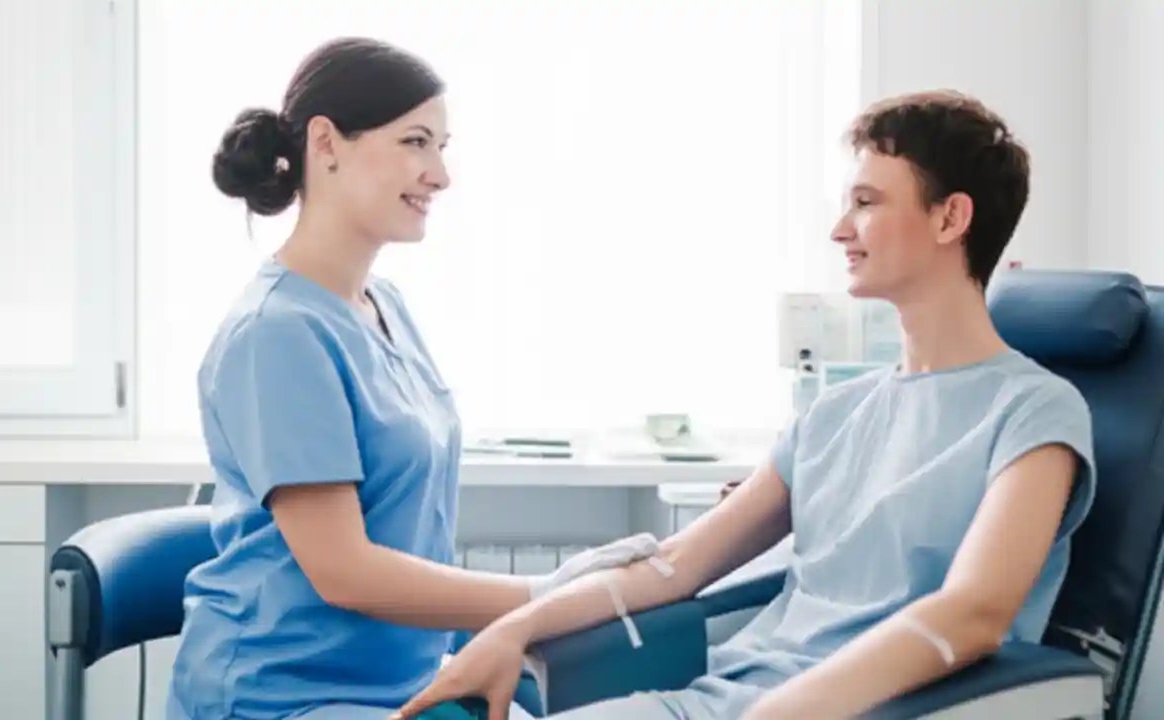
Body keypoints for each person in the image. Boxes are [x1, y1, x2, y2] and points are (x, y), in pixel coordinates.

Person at [394, 90, 1097, 720]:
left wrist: (788, 711)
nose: (839, 229)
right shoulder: (833, 414)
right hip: (714, 701)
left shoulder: (1034, 411)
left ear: (952, 218)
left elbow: (974, 612)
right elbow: (676, 563)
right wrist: (514, 630)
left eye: (867, 201)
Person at [167, 37, 543, 720]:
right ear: (326, 142)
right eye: (416, 142)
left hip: (396, 682)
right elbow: (345, 572)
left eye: (442, 146)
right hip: (282, 697)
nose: (440, 174)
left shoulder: (383, 306)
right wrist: (553, 597)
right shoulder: (276, 334)